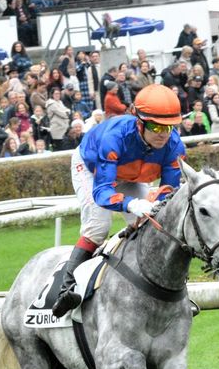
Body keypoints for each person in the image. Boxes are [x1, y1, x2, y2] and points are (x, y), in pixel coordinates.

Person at [52, 84, 184, 317]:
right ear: (140, 122)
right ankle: (66, 289)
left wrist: (154, 207)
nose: (163, 134)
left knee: (155, 224)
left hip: (130, 174)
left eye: (169, 127)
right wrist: (131, 204)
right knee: (98, 227)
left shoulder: (174, 146)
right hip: (92, 169)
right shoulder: (114, 137)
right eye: (155, 126)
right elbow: (102, 192)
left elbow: (168, 192)